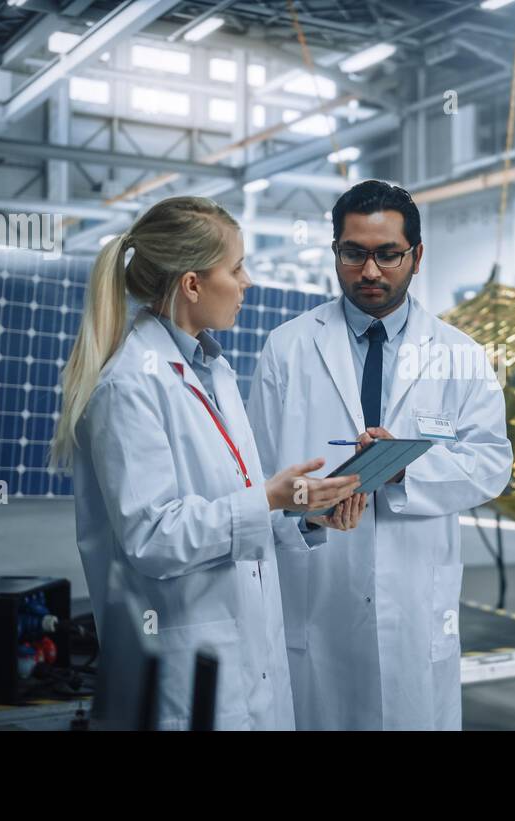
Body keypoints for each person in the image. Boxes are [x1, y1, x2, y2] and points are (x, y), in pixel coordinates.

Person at [50, 195, 367, 730]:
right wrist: (269, 496)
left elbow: (229, 510)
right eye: (236, 268)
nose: (248, 282)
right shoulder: (130, 385)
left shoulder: (212, 371)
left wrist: (303, 514)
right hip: (183, 666)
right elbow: (152, 536)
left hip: (247, 659)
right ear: (192, 284)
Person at [247, 180, 513, 729]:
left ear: (416, 257)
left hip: (415, 598)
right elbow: (258, 478)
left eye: (388, 254)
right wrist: (306, 515)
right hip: (317, 588)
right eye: (353, 253)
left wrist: (401, 467)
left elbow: (490, 464)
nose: (370, 271)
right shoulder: (288, 348)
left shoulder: (459, 355)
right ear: (336, 253)